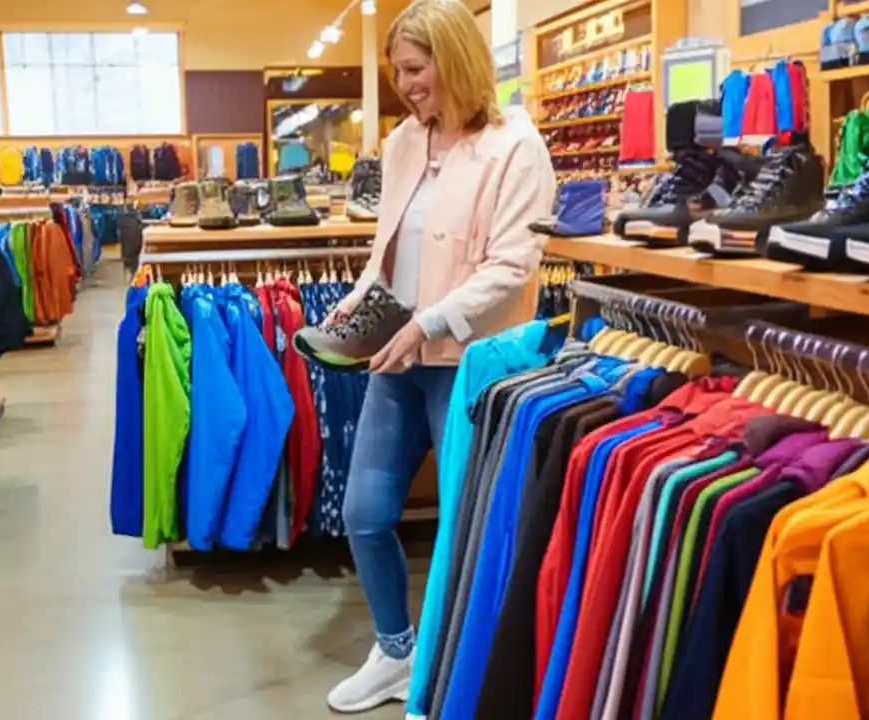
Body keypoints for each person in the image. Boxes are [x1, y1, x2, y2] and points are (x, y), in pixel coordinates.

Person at [325, 0, 557, 713]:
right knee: (365, 513)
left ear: (453, 61)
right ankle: (396, 649)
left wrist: (430, 321)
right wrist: (357, 299)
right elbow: (387, 246)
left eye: (415, 69)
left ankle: (457, 664)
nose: (405, 84)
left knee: (467, 523)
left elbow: (513, 263)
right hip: (399, 354)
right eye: (398, 70)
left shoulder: (517, 145)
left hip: (474, 364)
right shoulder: (402, 143)